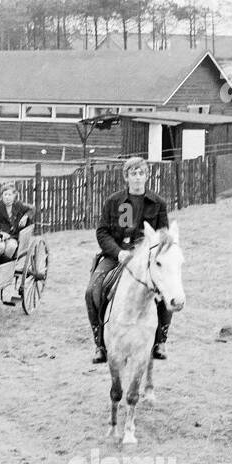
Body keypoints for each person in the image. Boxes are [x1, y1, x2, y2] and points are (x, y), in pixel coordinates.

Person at [85, 156, 172, 364]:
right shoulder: (113, 201)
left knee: (165, 290)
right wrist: (118, 252)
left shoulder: (158, 203)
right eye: (133, 173)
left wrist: (151, 254)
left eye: (141, 173)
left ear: (147, 176)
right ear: (126, 177)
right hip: (117, 256)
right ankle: (100, 344)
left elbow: (163, 235)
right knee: (92, 290)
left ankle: (160, 341)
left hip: (145, 259)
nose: (138, 178)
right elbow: (102, 232)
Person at [0, 183, 34, 261]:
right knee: (0, 247)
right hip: (1, 236)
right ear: (2, 195)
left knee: (11, 246)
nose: (7, 197)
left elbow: (32, 209)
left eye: (10, 195)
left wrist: (25, 216)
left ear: (14, 196)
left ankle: (7, 266)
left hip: (14, 236)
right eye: (5, 194)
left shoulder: (18, 205)